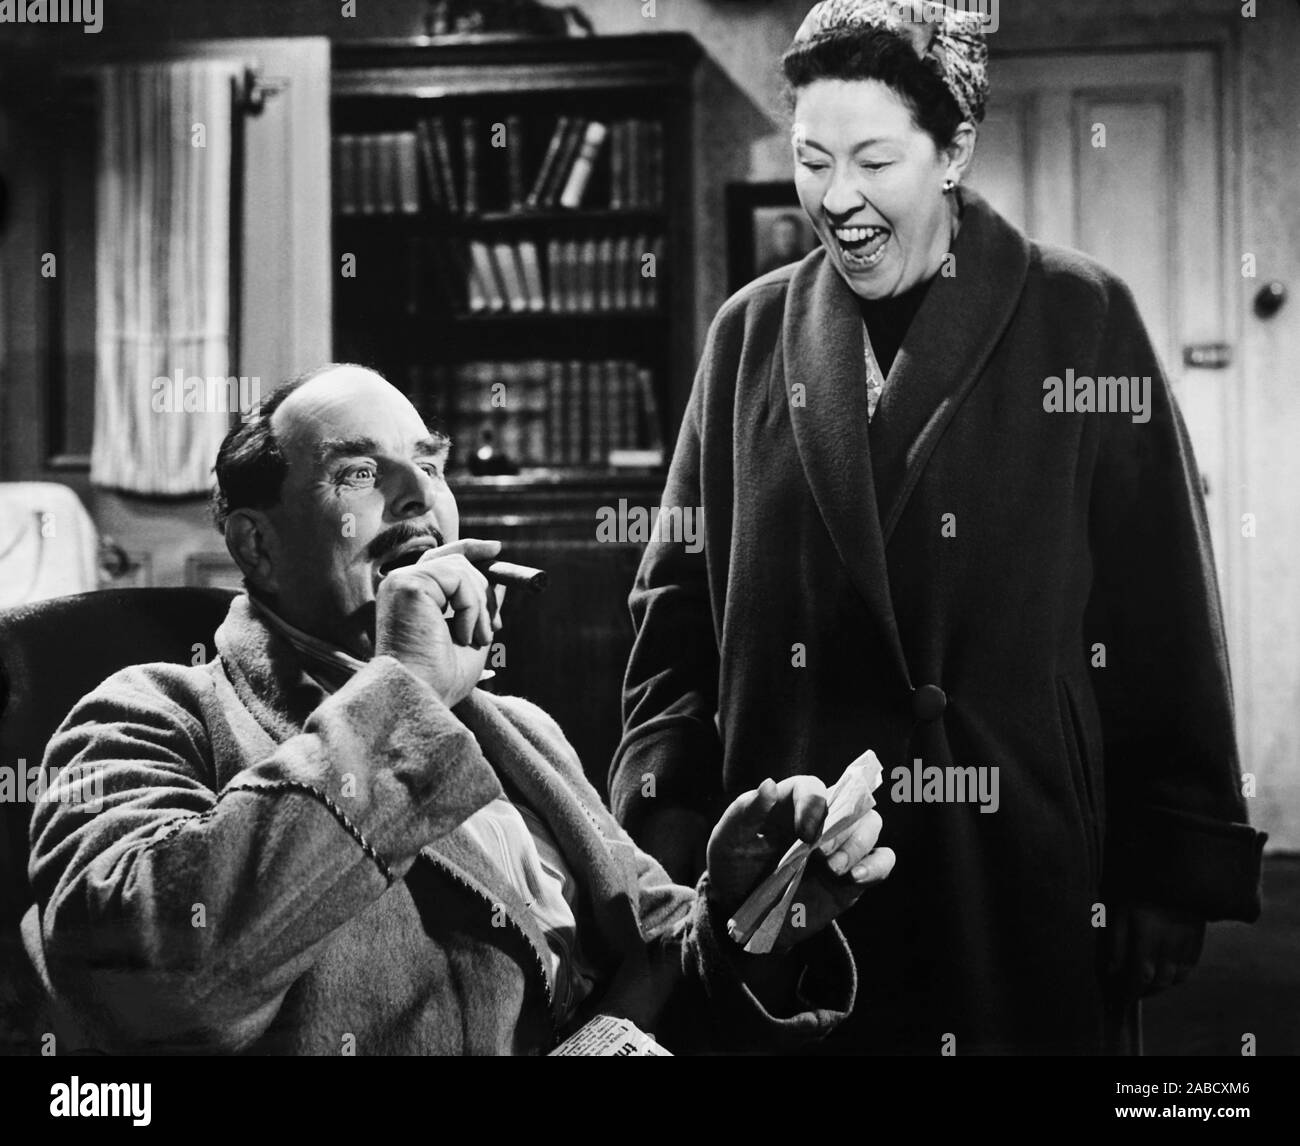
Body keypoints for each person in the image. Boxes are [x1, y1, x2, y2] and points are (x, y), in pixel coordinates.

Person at [609, 0, 1265, 1055]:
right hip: (790, 860)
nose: (837, 199)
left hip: (1008, 854)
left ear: (953, 149)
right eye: (812, 158)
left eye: (874, 160)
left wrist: (1164, 870)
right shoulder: (746, 335)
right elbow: (673, 612)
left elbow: (1160, 616)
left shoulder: (1081, 317)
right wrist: (670, 826)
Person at [22, 364, 897, 1056]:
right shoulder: (147, 714)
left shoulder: (520, 732)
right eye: (359, 471)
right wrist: (400, 690)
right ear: (256, 541)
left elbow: (668, 988)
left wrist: (751, 917)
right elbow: (164, 990)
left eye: (430, 464)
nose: (419, 496)